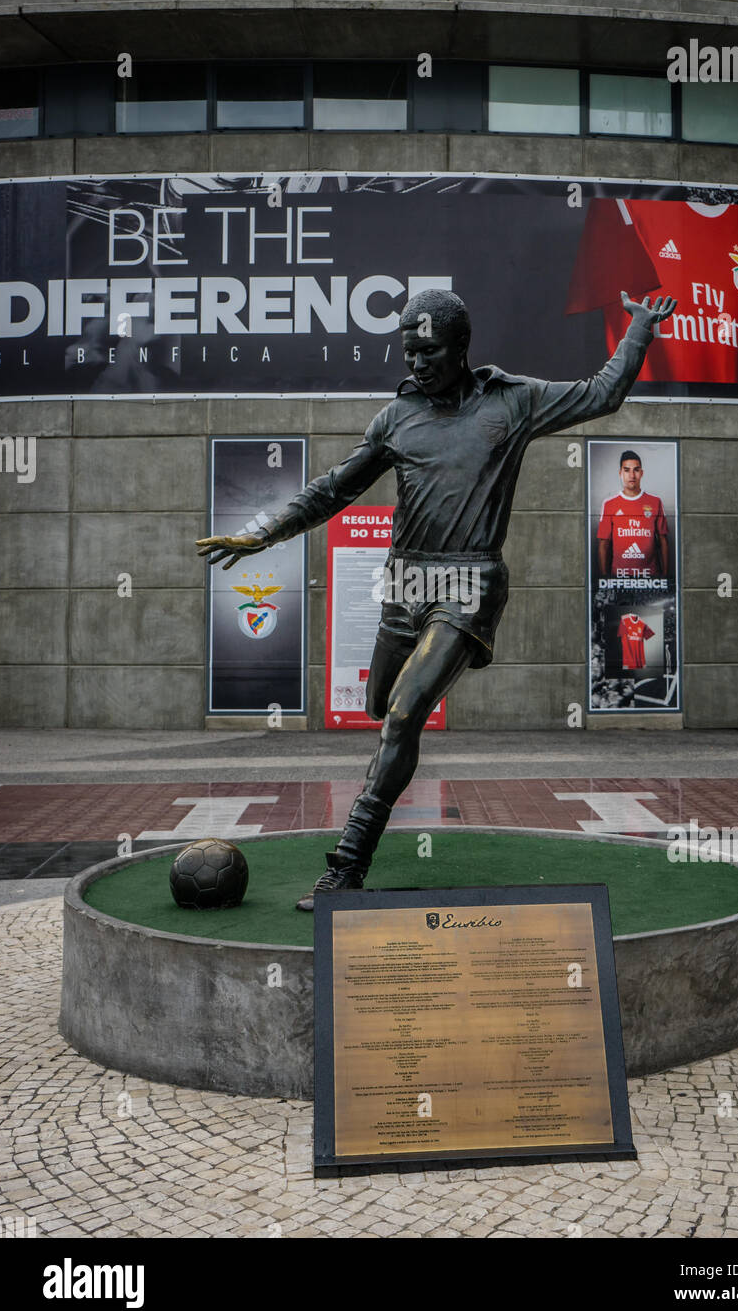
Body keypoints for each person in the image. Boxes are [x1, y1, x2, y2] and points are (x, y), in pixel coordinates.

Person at [196, 286, 676, 909]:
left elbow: (602, 393)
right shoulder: (396, 418)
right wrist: (264, 531)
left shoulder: (514, 402)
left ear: (461, 348)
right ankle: (383, 760)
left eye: (428, 351)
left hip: (470, 584)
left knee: (402, 715)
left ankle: (346, 866)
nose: (416, 363)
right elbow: (333, 489)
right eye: (408, 351)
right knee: (378, 703)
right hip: (404, 585)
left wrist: (638, 327)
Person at [597, 450, 669, 580]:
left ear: (641, 473)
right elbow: (603, 545)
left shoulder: (655, 502)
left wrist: (664, 576)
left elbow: (663, 541)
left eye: (636, 470)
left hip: (650, 578)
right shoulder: (609, 504)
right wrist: (604, 579)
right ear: (620, 473)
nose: (632, 475)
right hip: (618, 578)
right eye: (627, 470)